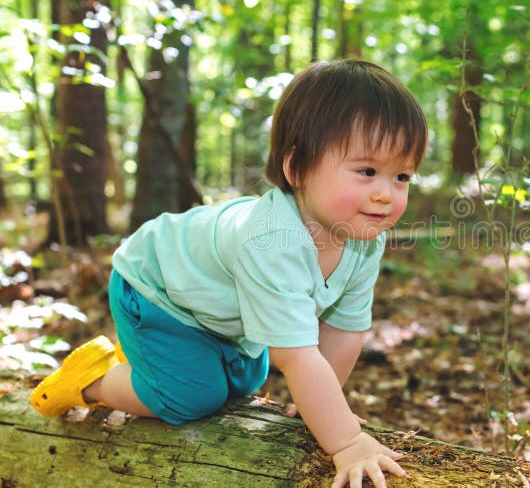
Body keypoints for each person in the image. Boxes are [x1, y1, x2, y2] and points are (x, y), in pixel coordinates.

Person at [29, 59, 428, 488]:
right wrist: (347, 442)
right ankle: (93, 379)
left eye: (402, 176)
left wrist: (320, 405)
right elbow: (296, 355)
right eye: (367, 171)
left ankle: (155, 359)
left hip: (217, 309)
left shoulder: (365, 238)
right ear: (296, 168)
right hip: (155, 289)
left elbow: (344, 329)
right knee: (191, 397)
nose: (386, 193)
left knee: (246, 381)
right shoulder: (271, 238)